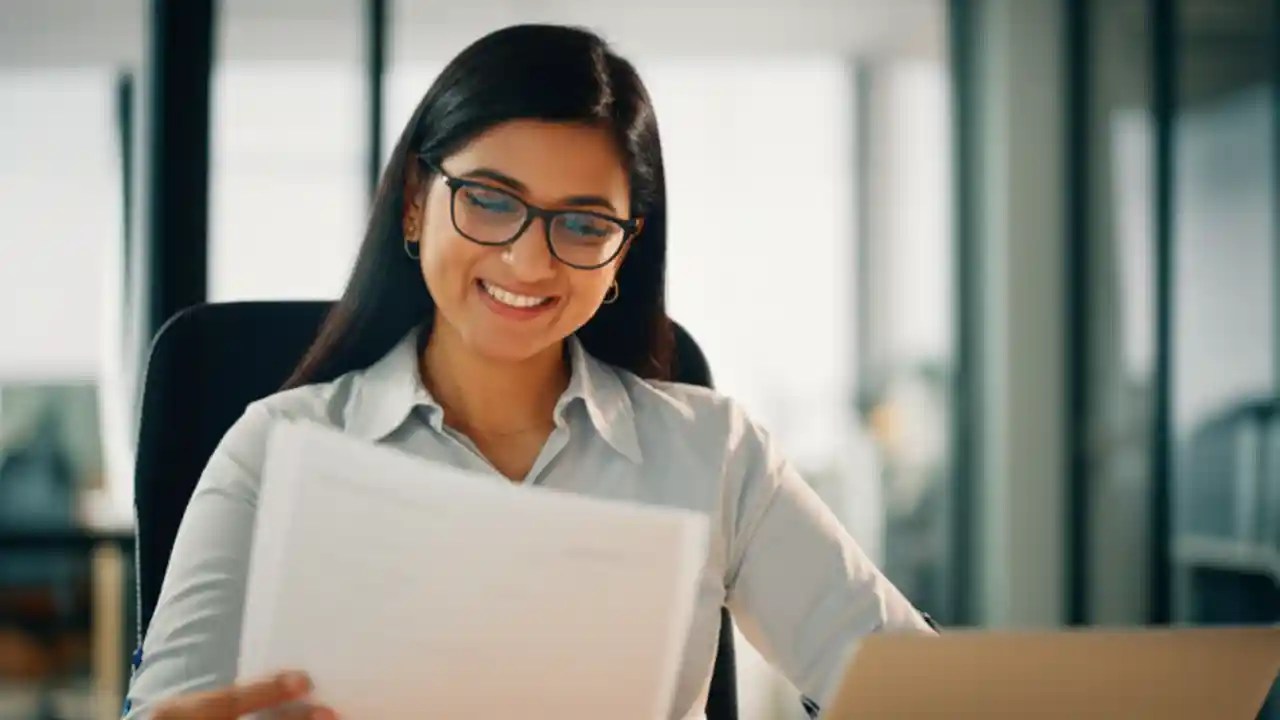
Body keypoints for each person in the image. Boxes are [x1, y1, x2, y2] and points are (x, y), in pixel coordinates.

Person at [125, 23, 934, 720]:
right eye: (489, 199)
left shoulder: (714, 453)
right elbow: (166, 708)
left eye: (583, 224)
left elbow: (910, 689)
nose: (528, 258)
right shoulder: (278, 447)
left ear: (624, 249)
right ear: (415, 199)